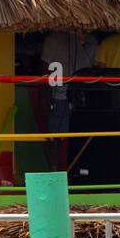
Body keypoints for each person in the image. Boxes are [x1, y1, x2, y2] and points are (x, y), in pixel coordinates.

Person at [40, 30, 98, 170]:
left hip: (83, 96)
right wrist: (44, 96)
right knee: (55, 138)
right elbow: (43, 71)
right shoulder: (53, 39)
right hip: (59, 95)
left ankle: (79, 170)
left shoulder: (91, 40)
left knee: (81, 133)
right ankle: (54, 171)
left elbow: (97, 68)